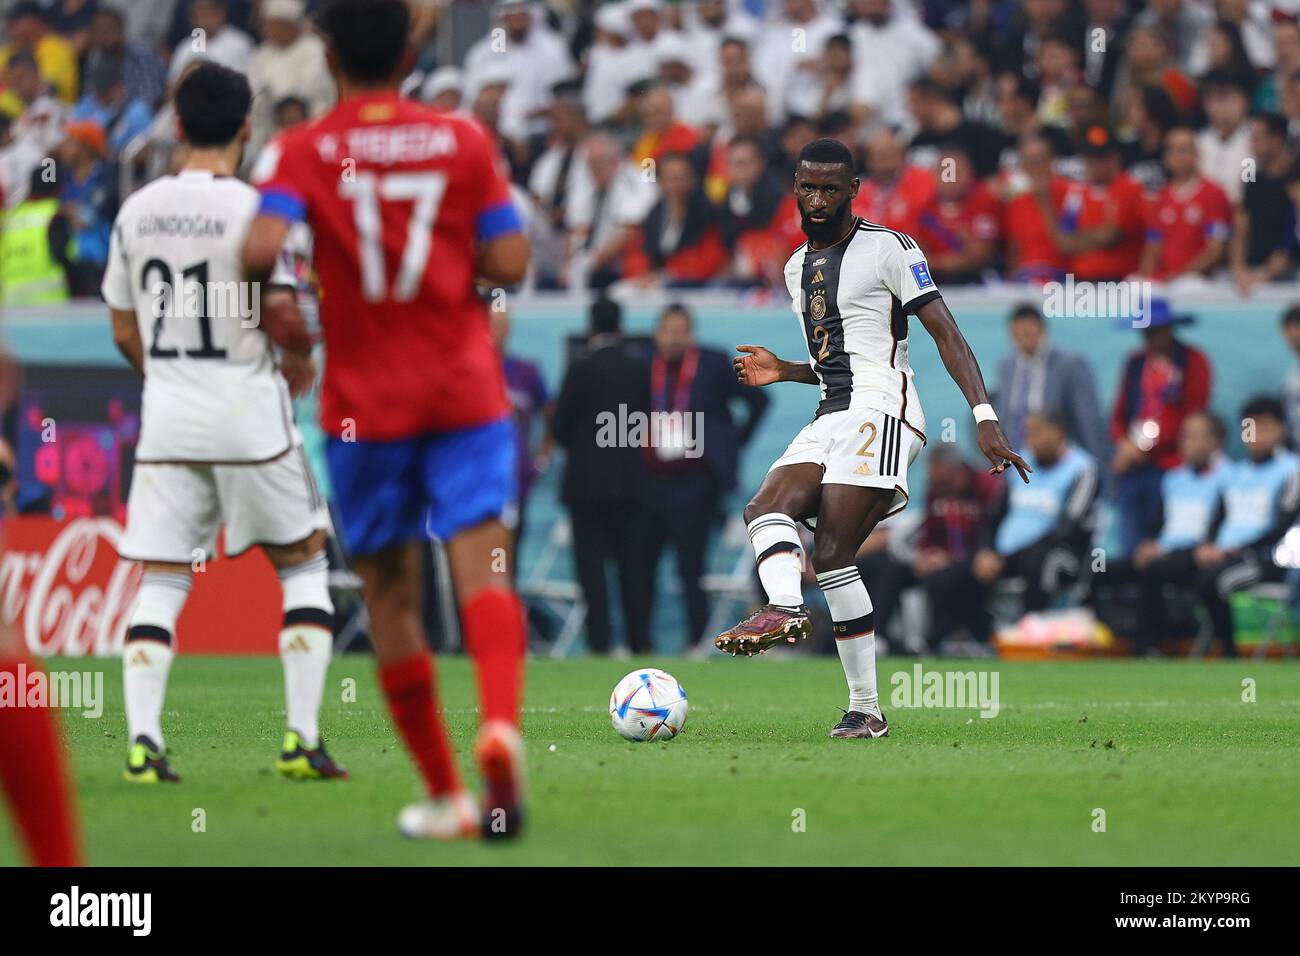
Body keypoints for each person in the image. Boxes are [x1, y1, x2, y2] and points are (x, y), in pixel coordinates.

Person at [242, 0, 531, 840]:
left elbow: (261, 250)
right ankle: (502, 722)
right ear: (412, 53)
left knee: (392, 593)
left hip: (365, 404)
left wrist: (280, 311)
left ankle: (446, 795)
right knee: (483, 562)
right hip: (462, 389)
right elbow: (510, 259)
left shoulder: (302, 148)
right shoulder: (462, 141)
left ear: (327, 55)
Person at [714, 137, 1030, 741]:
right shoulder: (793, 268)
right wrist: (784, 370)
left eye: (830, 187)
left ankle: (864, 705)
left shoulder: (890, 247)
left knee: (832, 549)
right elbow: (838, 362)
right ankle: (787, 609)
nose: (817, 197)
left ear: (853, 190)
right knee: (764, 508)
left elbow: (945, 332)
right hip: (832, 411)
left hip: (885, 410)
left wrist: (984, 415)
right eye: (807, 185)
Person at [103, 62, 341, 787]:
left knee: (164, 576)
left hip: (169, 416)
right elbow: (289, 316)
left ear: (176, 126)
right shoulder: (260, 213)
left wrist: (172, 379)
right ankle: (301, 741)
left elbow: (121, 330)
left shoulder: (135, 211)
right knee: (303, 563)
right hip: (248, 411)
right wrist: (297, 358)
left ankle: (144, 744)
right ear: (248, 128)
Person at [641, 303, 769, 645]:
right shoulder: (643, 364)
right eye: (667, 330)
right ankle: (640, 643)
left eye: (681, 330)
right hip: (649, 483)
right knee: (642, 566)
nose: (673, 337)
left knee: (690, 568)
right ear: (657, 333)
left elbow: (759, 401)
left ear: (691, 333)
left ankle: (695, 642)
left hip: (695, 483)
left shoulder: (711, 363)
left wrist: (732, 445)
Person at [921, 412, 1098, 644]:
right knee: (943, 579)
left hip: (1057, 554)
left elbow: (1069, 527)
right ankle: (985, 637)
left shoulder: (1082, 469)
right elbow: (995, 516)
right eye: (1028, 434)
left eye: (1035, 433)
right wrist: (986, 551)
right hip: (1006, 557)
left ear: (1058, 433)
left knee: (1040, 560)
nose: (1030, 440)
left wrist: (1011, 554)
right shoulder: (1021, 462)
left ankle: (1029, 632)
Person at [551, 297, 653, 655]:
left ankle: (600, 643)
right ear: (620, 328)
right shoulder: (639, 370)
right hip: (630, 484)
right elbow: (644, 423)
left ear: (591, 327)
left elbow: (560, 426)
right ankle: (639, 641)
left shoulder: (579, 368)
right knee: (633, 569)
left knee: (591, 572)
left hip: (586, 487)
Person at [1194, 397, 1300, 658]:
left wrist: (1235, 549)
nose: (1257, 434)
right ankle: (1154, 650)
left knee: (1215, 581)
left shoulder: (1292, 472)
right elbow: (1217, 518)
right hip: (1227, 556)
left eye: (1265, 427)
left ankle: (1229, 653)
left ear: (1281, 430)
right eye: (1250, 427)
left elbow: (1281, 529)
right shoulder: (1233, 474)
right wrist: (1207, 545)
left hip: (1269, 560)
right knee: (1165, 570)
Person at [1110, 298, 1212, 557]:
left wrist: (1146, 446)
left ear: (1170, 328)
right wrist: (1124, 444)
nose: (1150, 337)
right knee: (1130, 535)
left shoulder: (1194, 362)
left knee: (1164, 535)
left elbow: (1193, 417)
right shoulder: (1135, 363)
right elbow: (1120, 413)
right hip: (1134, 464)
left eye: (1156, 330)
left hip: (1173, 466)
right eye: (1145, 332)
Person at [1129, 411, 1228, 656]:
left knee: (1154, 570)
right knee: (1102, 571)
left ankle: (1149, 647)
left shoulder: (1229, 477)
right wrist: (1149, 544)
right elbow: (1159, 522)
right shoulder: (1173, 479)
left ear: (1214, 443)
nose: (1186, 443)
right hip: (1167, 551)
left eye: (1194, 437)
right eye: (1184, 436)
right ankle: (1112, 639)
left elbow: (1225, 521)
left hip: (1199, 553)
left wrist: (1211, 546)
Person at [993, 304, 1107, 462]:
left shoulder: (1070, 364)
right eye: (1019, 334)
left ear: (1042, 330)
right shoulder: (1006, 367)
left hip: (1056, 457)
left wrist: (1097, 460)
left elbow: (1087, 418)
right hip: (1013, 456)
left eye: (1029, 332)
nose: (1024, 338)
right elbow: (1005, 417)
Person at [0, 165, 72, 305]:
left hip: (11, 303)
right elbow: (64, 255)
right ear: (59, 188)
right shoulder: (56, 214)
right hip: (50, 304)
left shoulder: (11, 217)